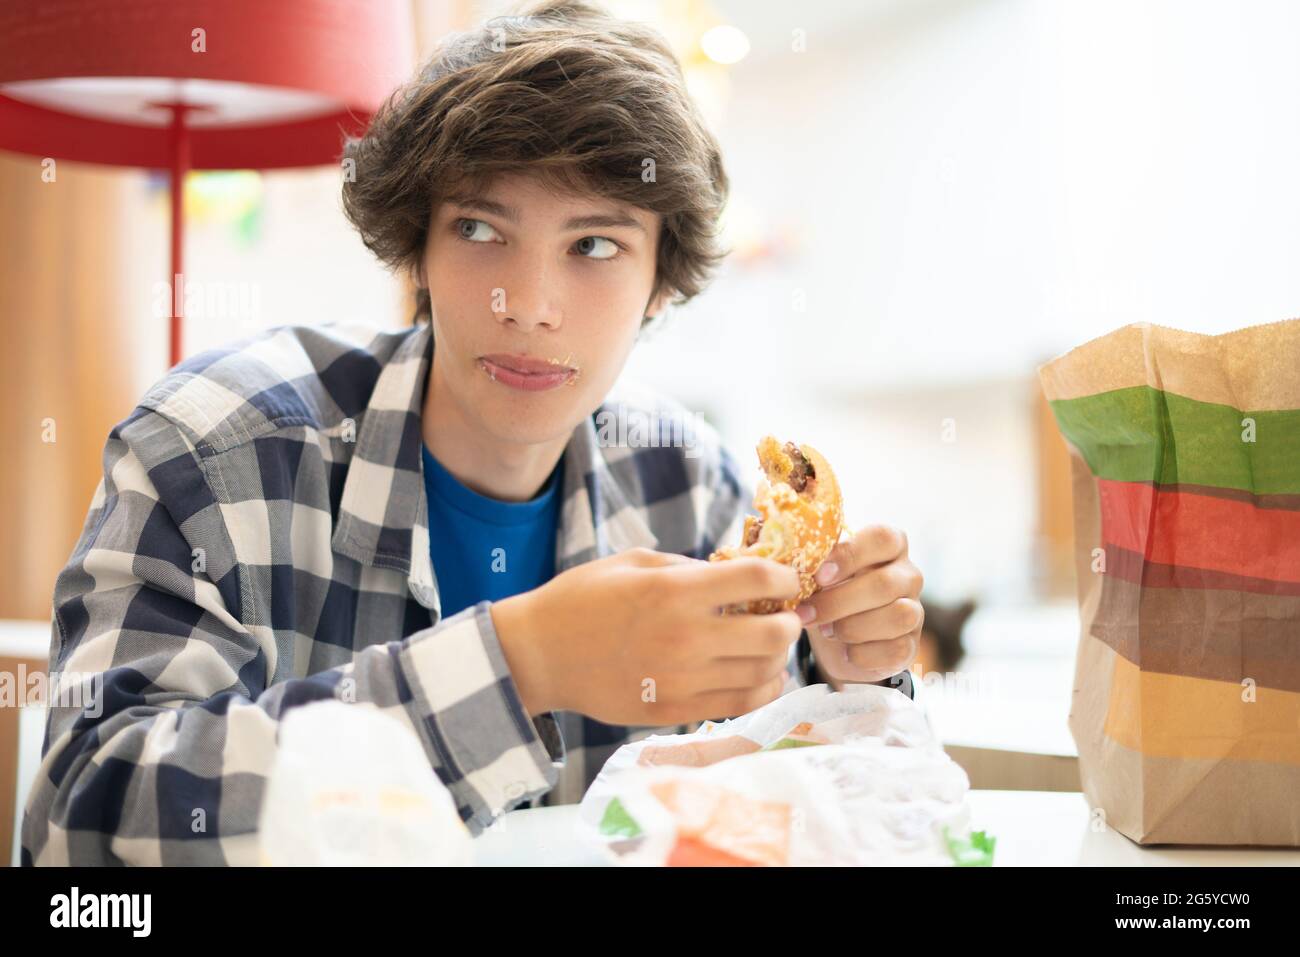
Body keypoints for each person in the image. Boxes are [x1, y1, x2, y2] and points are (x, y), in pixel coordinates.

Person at [22, 0, 923, 865]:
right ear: (416, 247)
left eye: (596, 245)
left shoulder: (692, 488)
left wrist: (857, 676)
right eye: (481, 228)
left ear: (661, 283)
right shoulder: (213, 453)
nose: (528, 306)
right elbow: (76, 821)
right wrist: (522, 662)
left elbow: (825, 810)